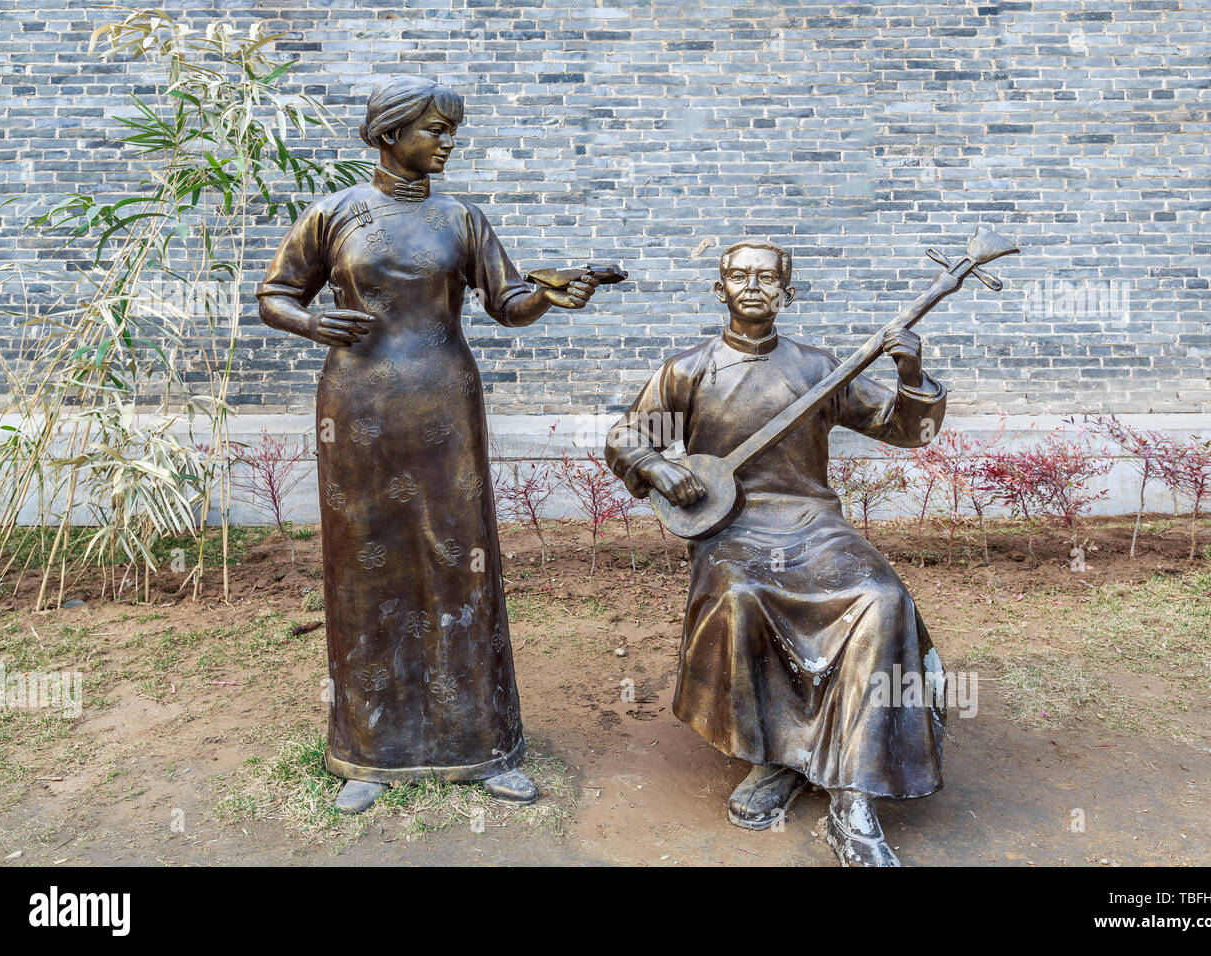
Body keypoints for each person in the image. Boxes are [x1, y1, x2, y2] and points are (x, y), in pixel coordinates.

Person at [257, 77, 605, 814]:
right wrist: (313, 325)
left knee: (460, 556)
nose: (448, 142)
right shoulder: (335, 214)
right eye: (435, 130)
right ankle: (369, 753)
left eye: (451, 130)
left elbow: (508, 303)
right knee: (363, 562)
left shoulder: (462, 218)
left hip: (446, 395)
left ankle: (482, 745)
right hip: (357, 403)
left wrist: (554, 289)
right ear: (389, 134)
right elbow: (276, 293)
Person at [604, 241, 947, 866]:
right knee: (740, 595)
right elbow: (628, 437)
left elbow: (908, 431)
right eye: (739, 275)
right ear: (719, 289)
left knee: (880, 598)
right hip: (733, 528)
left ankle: (853, 792)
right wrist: (657, 467)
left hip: (814, 525)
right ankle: (776, 758)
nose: (753, 286)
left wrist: (913, 377)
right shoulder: (688, 370)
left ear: (787, 291)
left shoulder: (822, 369)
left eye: (768, 277)